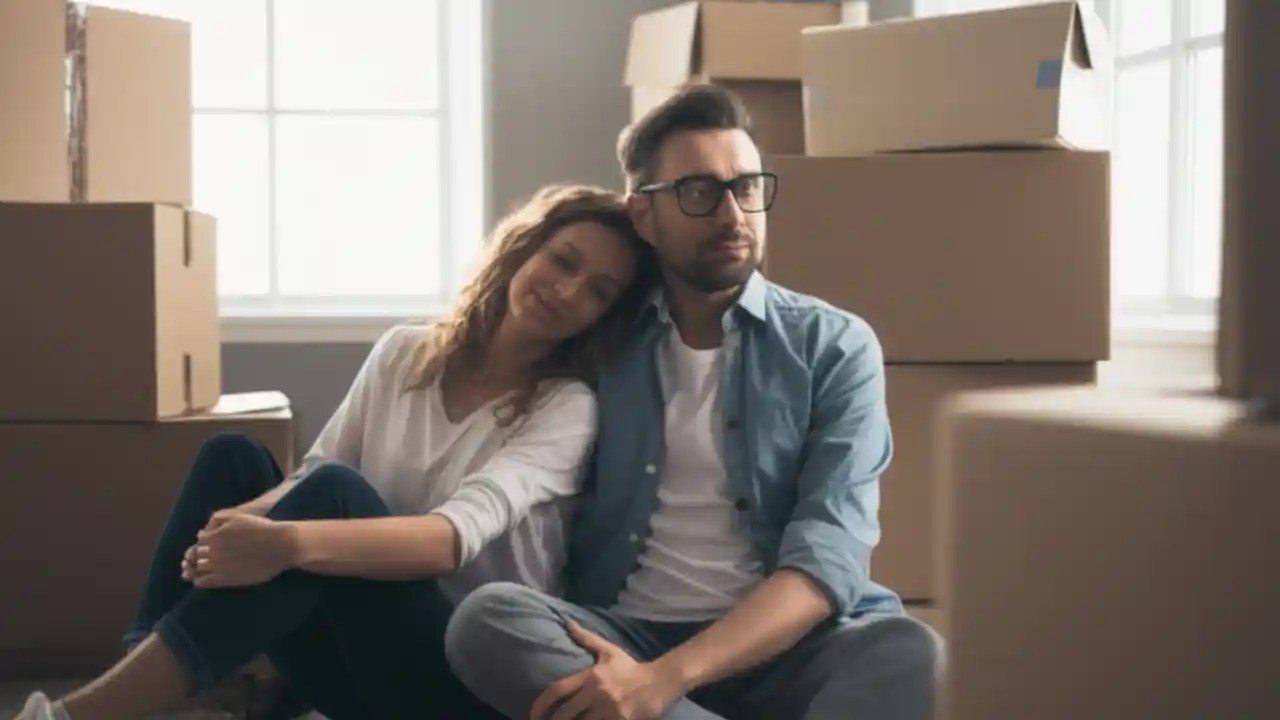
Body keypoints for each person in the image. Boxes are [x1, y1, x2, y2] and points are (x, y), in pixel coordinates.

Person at [13, 184, 659, 720]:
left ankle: (77, 717)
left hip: (456, 685)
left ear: (606, 316)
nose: (569, 292)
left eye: (599, 291)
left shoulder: (568, 407)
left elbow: (450, 539)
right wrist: (245, 522)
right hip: (353, 648)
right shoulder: (405, 351)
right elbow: (316, 467)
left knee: (334, 501)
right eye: (564, 261)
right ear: (524, 250)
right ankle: (184, 694)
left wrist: (285, 542)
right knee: (233, 458)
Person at [443, 85, 942, 720]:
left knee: (913, 651)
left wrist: (664, 682)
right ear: (642, 216)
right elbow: (495, 358)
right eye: (700, 192)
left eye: (749, 187)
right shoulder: (599, 333)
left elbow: (829, 558)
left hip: (789, 647)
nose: (734, 215)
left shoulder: (834, 345)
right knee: (485, 621)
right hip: (620, 637)